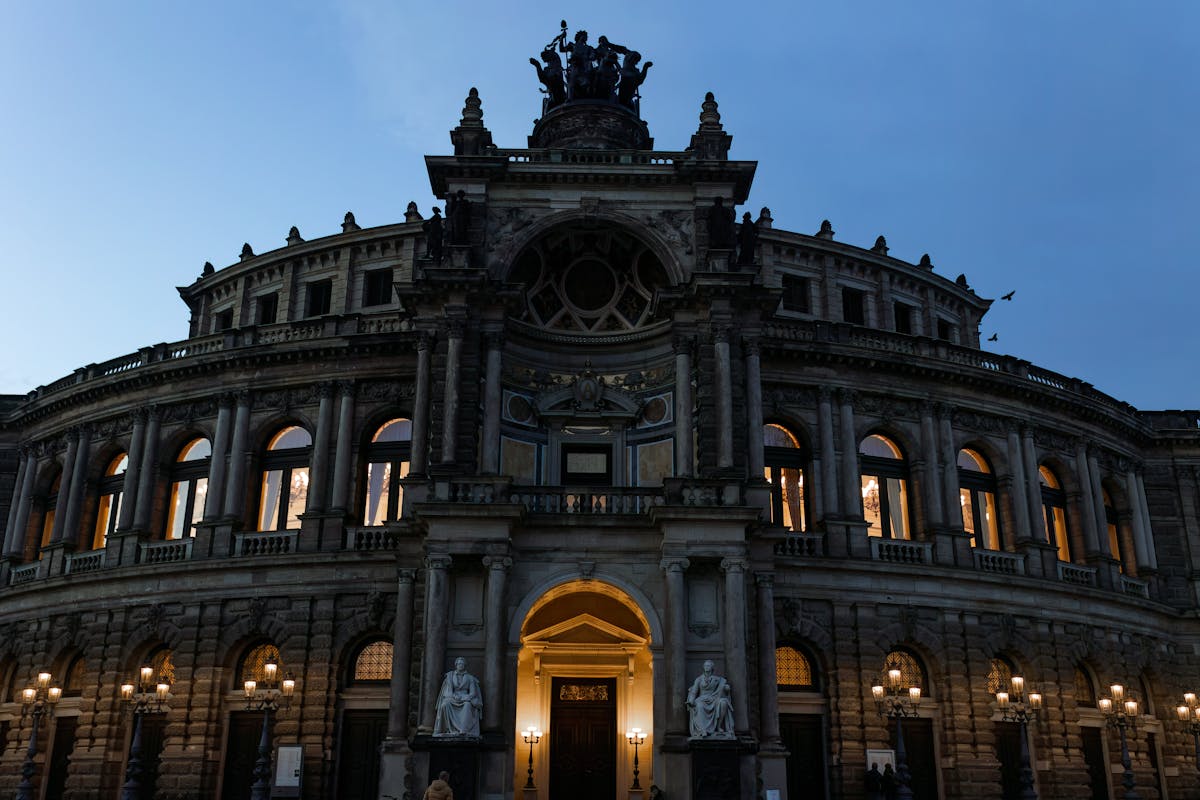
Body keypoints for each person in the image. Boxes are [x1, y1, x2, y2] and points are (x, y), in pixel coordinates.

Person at [433, 657, 482, 737]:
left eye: (462, 664)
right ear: (456, 665)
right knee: (445, 704)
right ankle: (448, 729)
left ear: (465, 665)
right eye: (459, 664)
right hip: (453, 697)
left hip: (465, 697)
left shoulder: (470, 678)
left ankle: (463, 730)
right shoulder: (450, 676)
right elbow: (447, 691)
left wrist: (466, 697)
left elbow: (473, 693)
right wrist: (453, 696)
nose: (460, 665)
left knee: (467, 705)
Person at [685, 659, 735, 738]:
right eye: (705, 666)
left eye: (708, 666)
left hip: (714, 698)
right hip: (702, 699)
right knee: (699, 705)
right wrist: (691, 700)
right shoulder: (699, 679)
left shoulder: (717, 679)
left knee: (723, 703)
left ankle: (718, 726)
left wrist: (726, 688)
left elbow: (723, 686)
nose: (706, 667)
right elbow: (694, 692)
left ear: (712, 668)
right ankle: (703, 730)